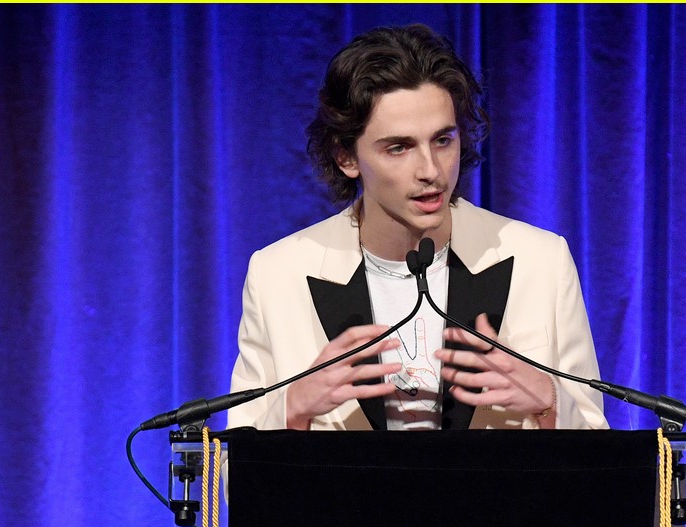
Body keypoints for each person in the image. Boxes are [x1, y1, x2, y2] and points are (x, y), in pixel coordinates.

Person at [226, 24, 608, 432]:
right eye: (399, 147)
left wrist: (550, 402)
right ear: (346, 157)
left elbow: (597, 452)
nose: (431, 171)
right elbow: (233, 481)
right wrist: (291, 410)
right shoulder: (278, 274)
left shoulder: (541, 260)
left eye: (443, 140)